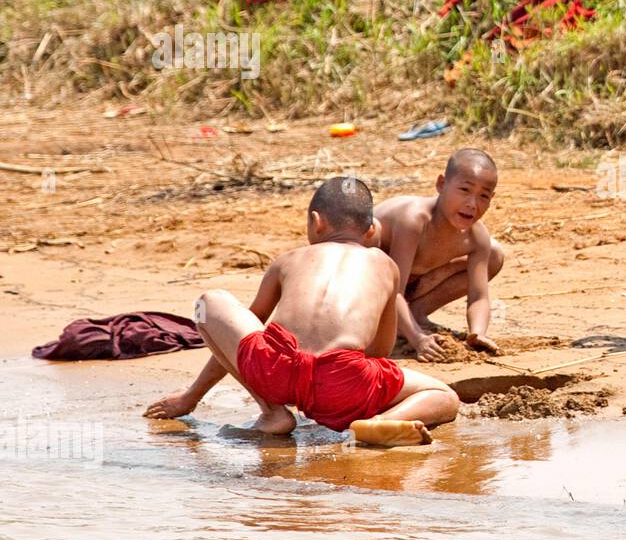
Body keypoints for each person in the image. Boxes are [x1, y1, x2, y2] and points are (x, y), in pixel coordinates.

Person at [144, 176, 459, 445]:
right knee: (443, 396)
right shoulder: (384, 265)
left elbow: (244, 333)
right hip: (343, 381)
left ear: (316, 221)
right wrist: (360, 395)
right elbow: (380, 352)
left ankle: (272, 413)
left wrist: (191, 397)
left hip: (276, 370)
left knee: (208, 303)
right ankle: (381, 423)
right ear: (370, 230)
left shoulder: (290, 258)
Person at [372, 149, 506, 361]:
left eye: (483, 196)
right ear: (441, 184)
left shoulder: (476, 235)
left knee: (494, 254)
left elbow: (479, 297)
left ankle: (413, 315)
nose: (472, 204)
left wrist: (478, 333)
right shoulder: (414, 220)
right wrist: (418, 339)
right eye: (464, 190)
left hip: (409, 285)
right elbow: (393, 290)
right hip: (370, 285)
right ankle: (401, 326)